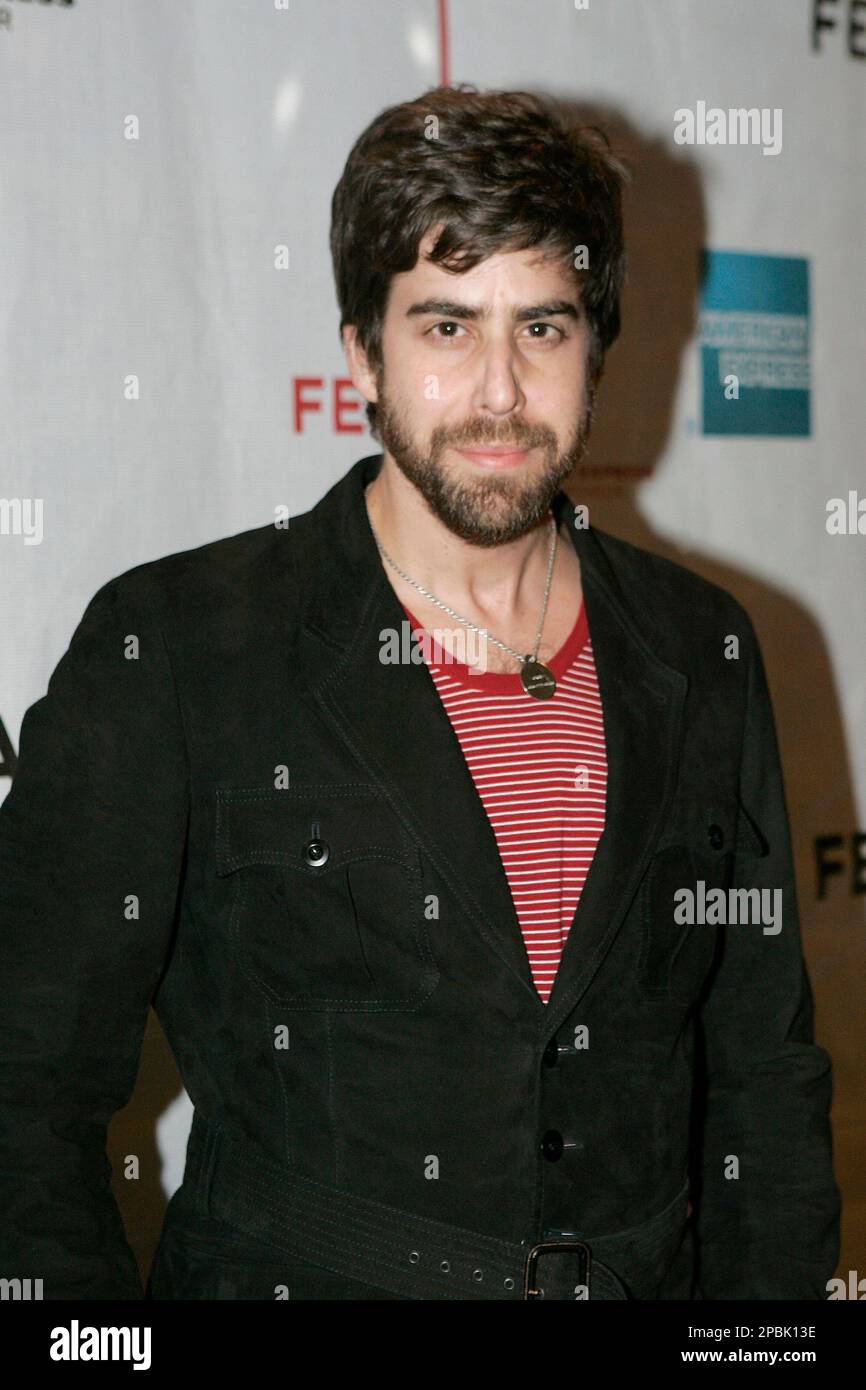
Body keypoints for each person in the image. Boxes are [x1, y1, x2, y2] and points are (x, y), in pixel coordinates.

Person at [0, 85, 840, 1300]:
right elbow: (22, 1085)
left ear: (595, 344)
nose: (498, 392)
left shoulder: (701, 645)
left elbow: (762, 1074)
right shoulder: (178, 648)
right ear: (360, 351)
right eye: (445, 327)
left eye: (541, 328)